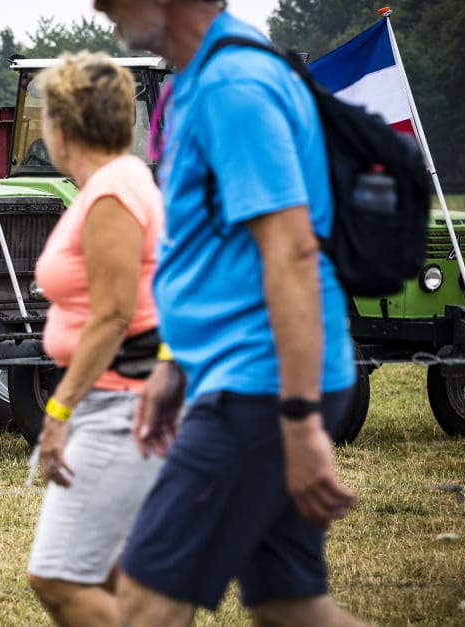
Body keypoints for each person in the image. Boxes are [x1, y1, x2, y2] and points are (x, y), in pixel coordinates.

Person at [91, 1, 367, 625]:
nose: (99, 4)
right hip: (239, 374)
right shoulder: (198, 80)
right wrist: (175, 362)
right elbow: (217, 252)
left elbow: (292, 250)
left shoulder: (234, 85)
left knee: (143, 606)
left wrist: (296, 420)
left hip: (259, 385)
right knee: (293, 609)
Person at [25, 51, 166, 627]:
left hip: (118, 405)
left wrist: (58, 410)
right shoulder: (117, 182)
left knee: (58, 579)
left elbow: (111, 315)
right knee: (112, 577)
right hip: (116, 402)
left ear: (61, 127)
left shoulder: (111, 193)